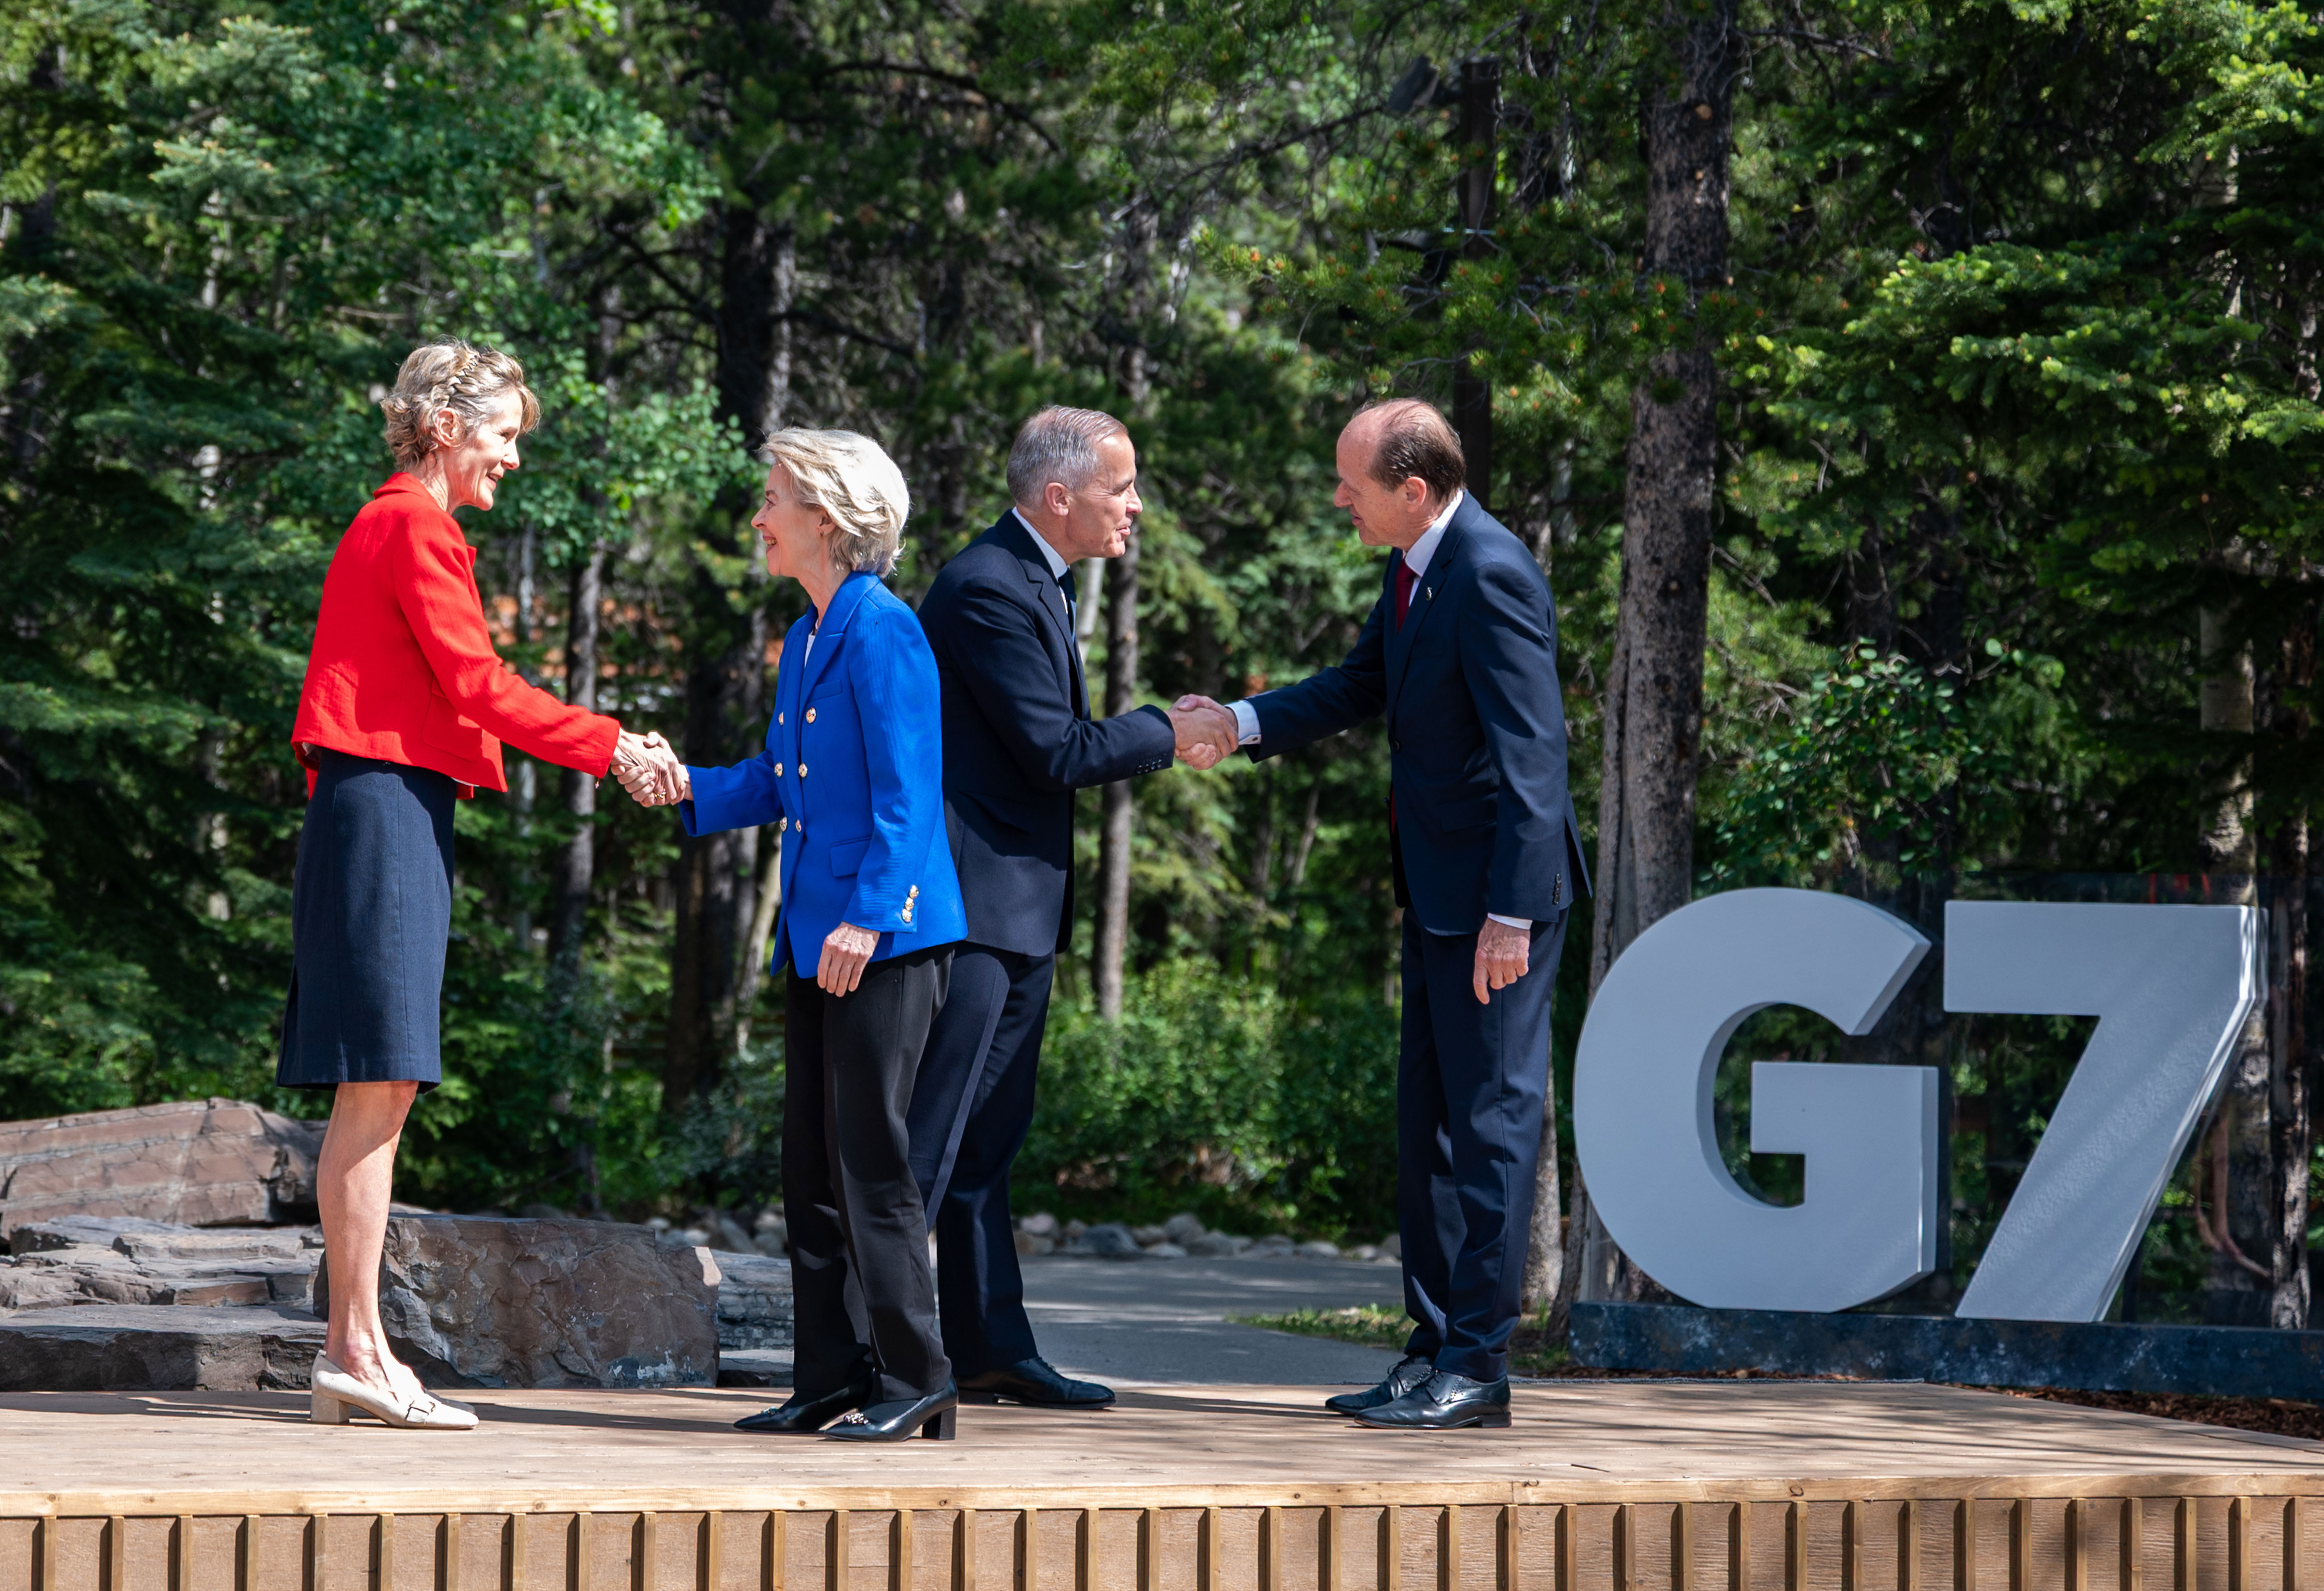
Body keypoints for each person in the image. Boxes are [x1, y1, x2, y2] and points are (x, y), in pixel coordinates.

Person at [285, 337, 683, 1430]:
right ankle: (359, 1348)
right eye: (504, 434)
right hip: (382, 807)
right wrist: (612, 745)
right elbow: (479, 682)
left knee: (386, 1081)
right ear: (448, 426)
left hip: (387, 805)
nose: (511, 457)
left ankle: (349, 1346)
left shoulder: (399, 524)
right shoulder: (414, 523)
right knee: (381, 1078)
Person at [1177, 399, 1589, 1430]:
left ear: (1413, 489)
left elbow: (1535, 759)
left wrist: (1512, 913)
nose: (1337, 500)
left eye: (1350, 485)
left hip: (1497, 903)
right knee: (1431, 1131)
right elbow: (1363, 683)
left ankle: (1479, 1366)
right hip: (1439, 893)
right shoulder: (1415, 566)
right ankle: (1432, 1348)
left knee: (1492, 1128)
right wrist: (1240, 721)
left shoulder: (1489, 572)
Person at [623, 429, 968, 1442]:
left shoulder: (885, 628)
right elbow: (783, 779)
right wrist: (689, 783)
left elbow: (912, 795)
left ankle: (919, 1375)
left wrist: (869, 914)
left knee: (873, 1164)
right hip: (821, 940)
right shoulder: (808, 633)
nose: (760, 515)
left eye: (773, 498)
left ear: (825, 514)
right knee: (809, 1171)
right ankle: (832, 1373)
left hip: (886, 941)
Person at [906, 406, 1234, 1410]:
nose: (1134, 506)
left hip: (1017, 908)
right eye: (1120, 488)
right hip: (973, 910)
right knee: (930, 1147)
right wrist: (1167, 731)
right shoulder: (987, 588)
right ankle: (879, 1358)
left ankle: (990, 1347)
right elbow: (1057, 749)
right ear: (1060, 496)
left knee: (985, 1143)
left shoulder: (1032, 581)